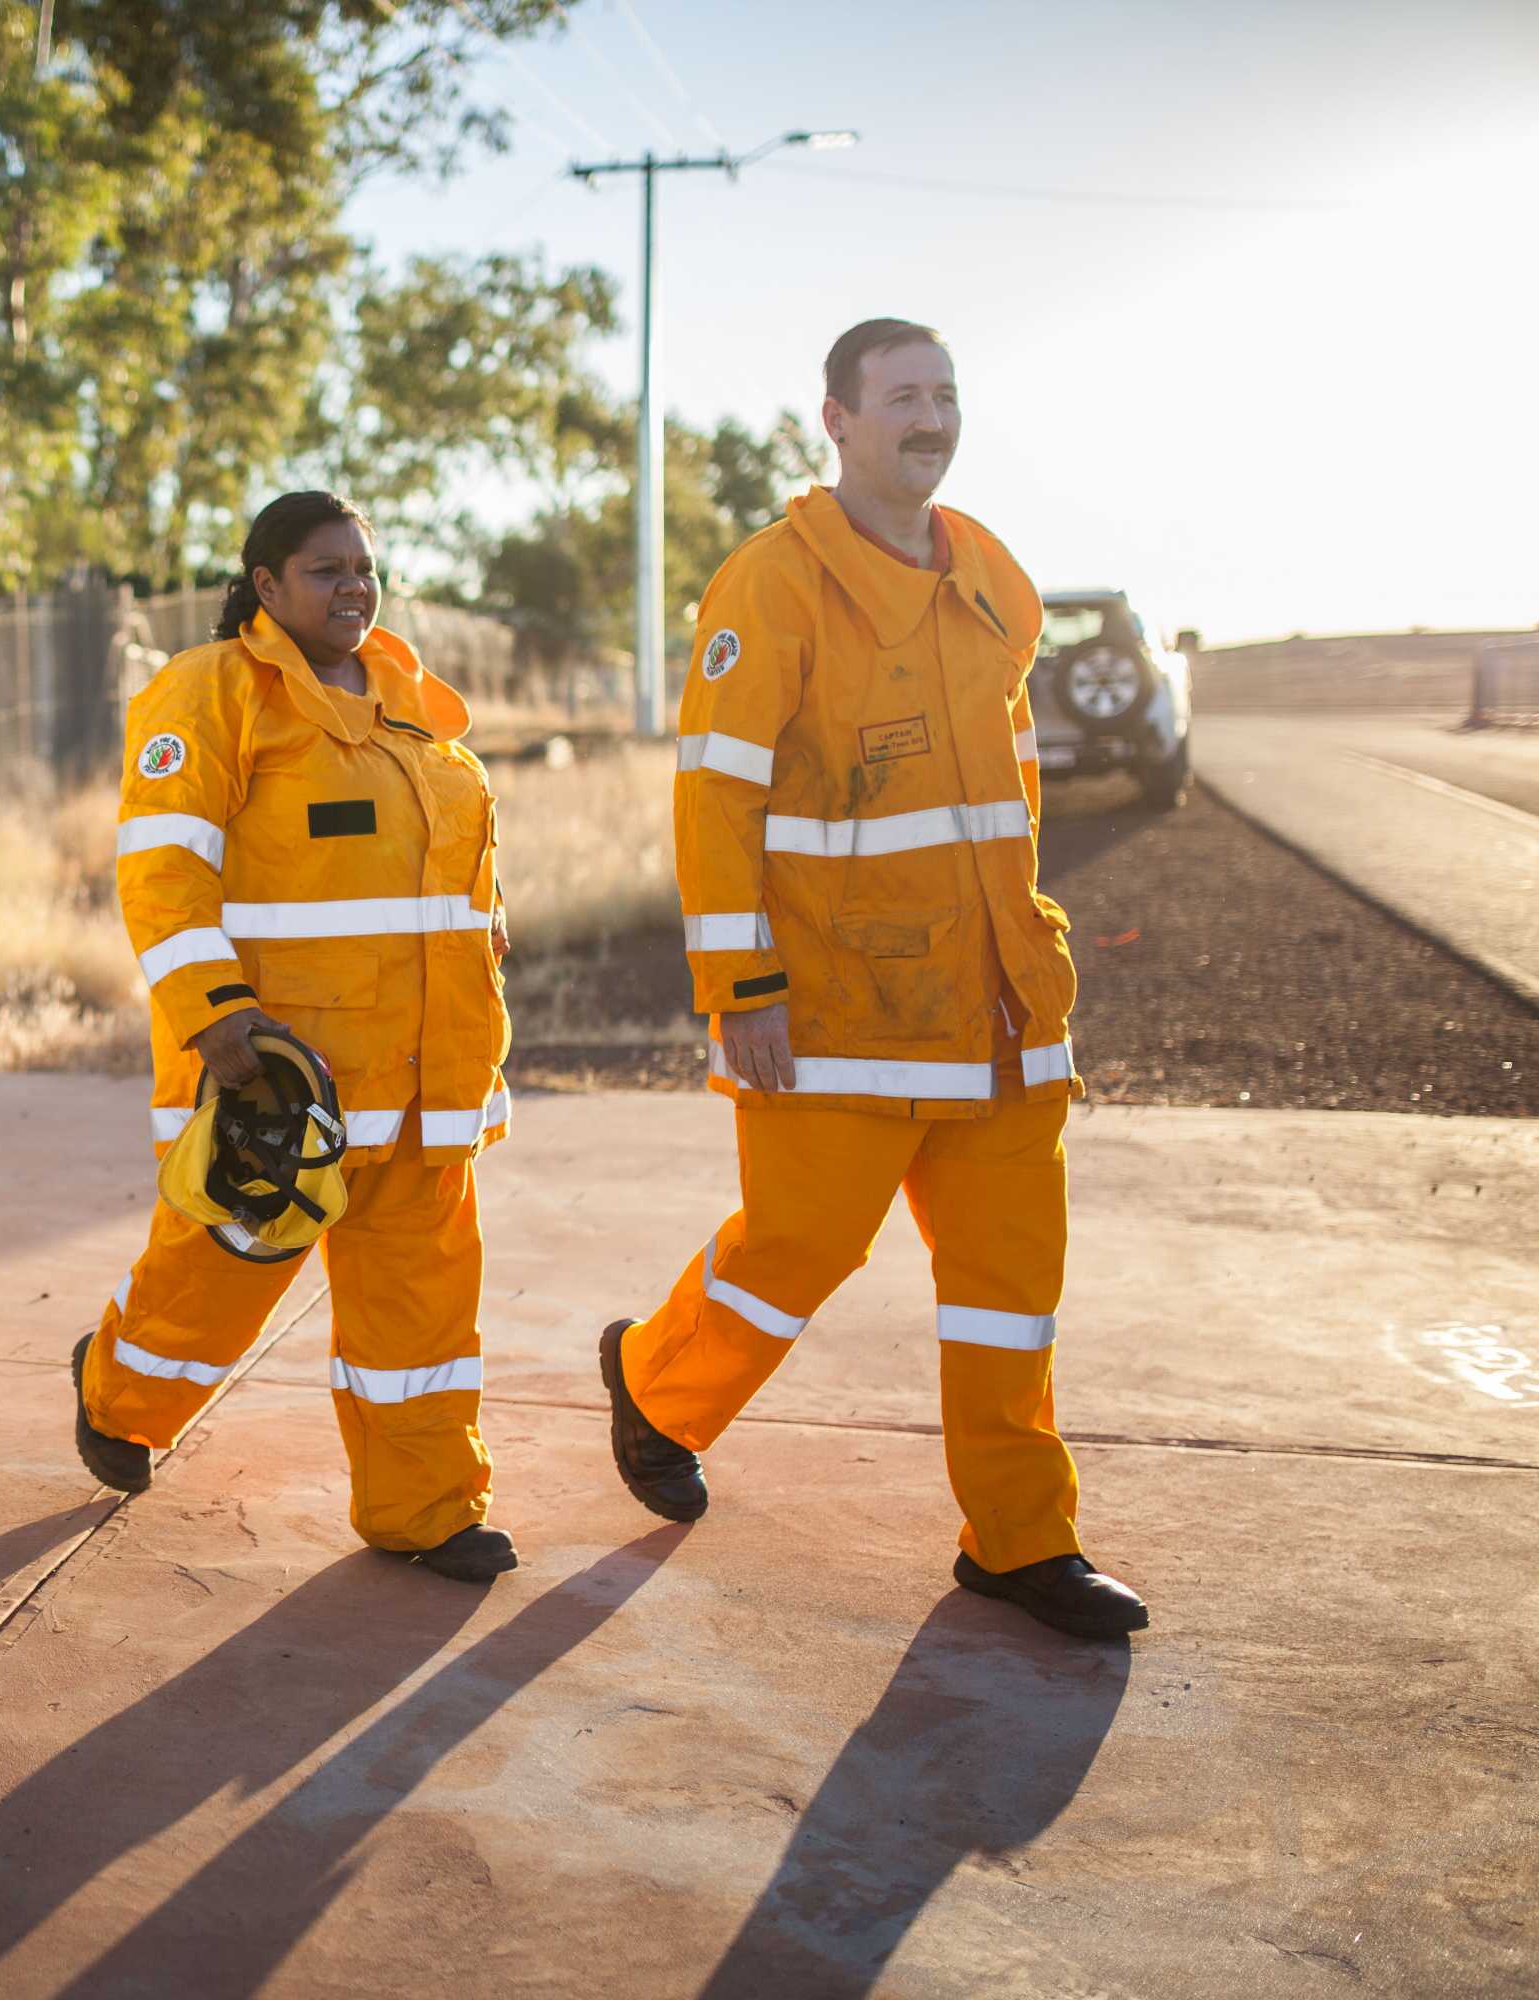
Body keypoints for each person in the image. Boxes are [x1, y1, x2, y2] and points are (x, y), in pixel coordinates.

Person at [597, 319, 1150, 1641]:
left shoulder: (993, 582)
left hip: (1000, 1010)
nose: (930, 417)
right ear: (835, 420)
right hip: (838, 1008)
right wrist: (744, 981)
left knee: (1011, 1292)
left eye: (946, 396)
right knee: (796, 1253)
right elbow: (717, 801)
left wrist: (1032, 958)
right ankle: (659, 1390)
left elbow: (994, 804)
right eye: (902, 396)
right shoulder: (772, 588)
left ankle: (1022, 1543)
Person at [71, 491, 519, 1585]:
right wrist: (218, 1018)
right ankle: (118, 1397)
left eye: (364, 567)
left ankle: (427, 1510)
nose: (352, 588)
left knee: (420, 1315)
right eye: (325, 570)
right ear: (266, 586)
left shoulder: (418, 704)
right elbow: (164, 872)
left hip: (429, 1087)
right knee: (210, 1289)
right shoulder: (212, 691)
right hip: (284, 1089)